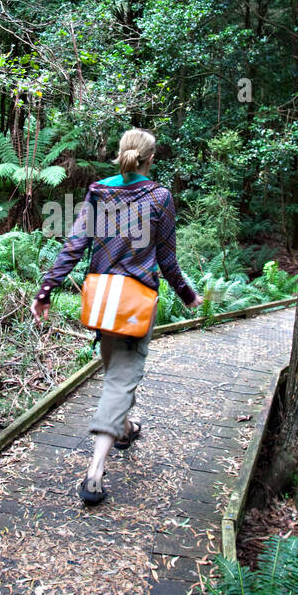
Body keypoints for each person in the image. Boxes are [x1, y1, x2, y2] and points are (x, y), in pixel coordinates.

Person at [29, 127, 203, 505]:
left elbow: (74, 246)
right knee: (121, 379)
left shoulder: (98, 192)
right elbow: (167, 258)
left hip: (102, 299)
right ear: (150, 158)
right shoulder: (159, 197)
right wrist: (188, 294)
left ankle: (125, 428)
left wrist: (45, 292)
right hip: (135, 300)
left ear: (120, 153)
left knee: (116, 372)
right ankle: (94, 471)